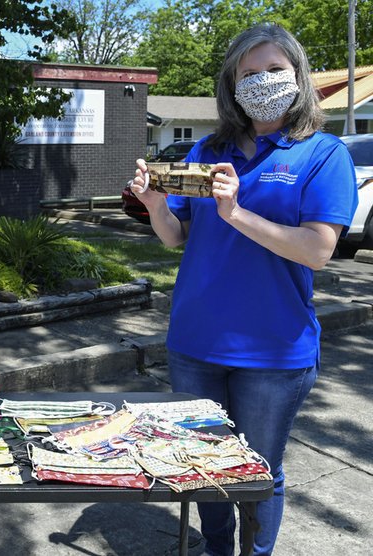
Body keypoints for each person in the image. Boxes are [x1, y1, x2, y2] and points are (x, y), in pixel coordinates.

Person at [130, 24, 357, 555]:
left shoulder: (322, 154)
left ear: (298, 75)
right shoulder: (209, 150)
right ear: (231, 85)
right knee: (202, 467)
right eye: (249, 73)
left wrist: (236, 213)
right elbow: (176, 236)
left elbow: (317, 250)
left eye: (275, 69)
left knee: (258, 473)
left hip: (273, 352)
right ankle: (216, 549)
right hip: (194, 343)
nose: (262, 81)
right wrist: (156, 206)